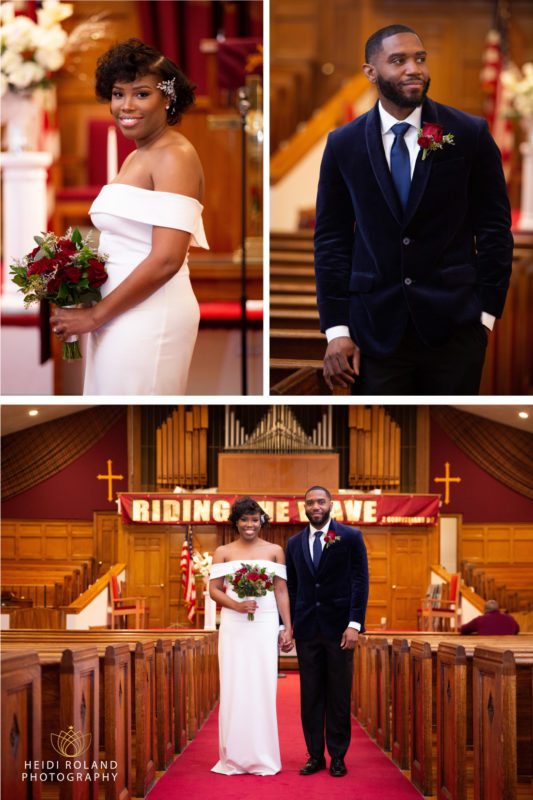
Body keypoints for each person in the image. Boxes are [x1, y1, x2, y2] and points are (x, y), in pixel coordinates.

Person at [314, 24, 513, 395]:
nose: (414, 68)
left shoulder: (466, 133)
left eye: (419, 58)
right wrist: (337, 330)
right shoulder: (344, 143)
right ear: (370, 72)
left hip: (455, 327)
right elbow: (332, 240)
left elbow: (494, 227)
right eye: (398, 60)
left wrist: (486, 315)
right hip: (374, 330)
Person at [51, 38, 208, 394]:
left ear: (167, 97)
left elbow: (167, 258)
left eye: (141, 94)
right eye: (118, 94)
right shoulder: (138, 155)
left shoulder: (174, 155)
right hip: (117, 310)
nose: (125, 105)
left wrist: (93, 316)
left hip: (149, 313)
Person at [285, 486, 369, 778]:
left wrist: (354, 624)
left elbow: (360, 582)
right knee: (310, 696)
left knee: (338, 695)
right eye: (310, 503)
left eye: (320, 501)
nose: (315, 506)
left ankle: (337, 756)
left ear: (331, 504)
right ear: (304, 508)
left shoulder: (350, 537)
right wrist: (290, 624)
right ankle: (314, 755)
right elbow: (293, 587)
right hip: (307, 630)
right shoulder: (294, 544)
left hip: (340, 631)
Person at [208, 497, 292, 775]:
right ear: (236, 522)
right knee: (234, 684)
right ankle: (233, 756)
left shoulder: (275, 551)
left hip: (265, 623)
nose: (249, 524)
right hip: (235, 624)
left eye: (254, 519)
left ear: (262, 521)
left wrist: (287, 627)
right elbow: (215, 590)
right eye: (244, 519)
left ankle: (263, 756)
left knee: (262, 686)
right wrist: (236, 605)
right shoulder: (223, 551)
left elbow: (281, 591)